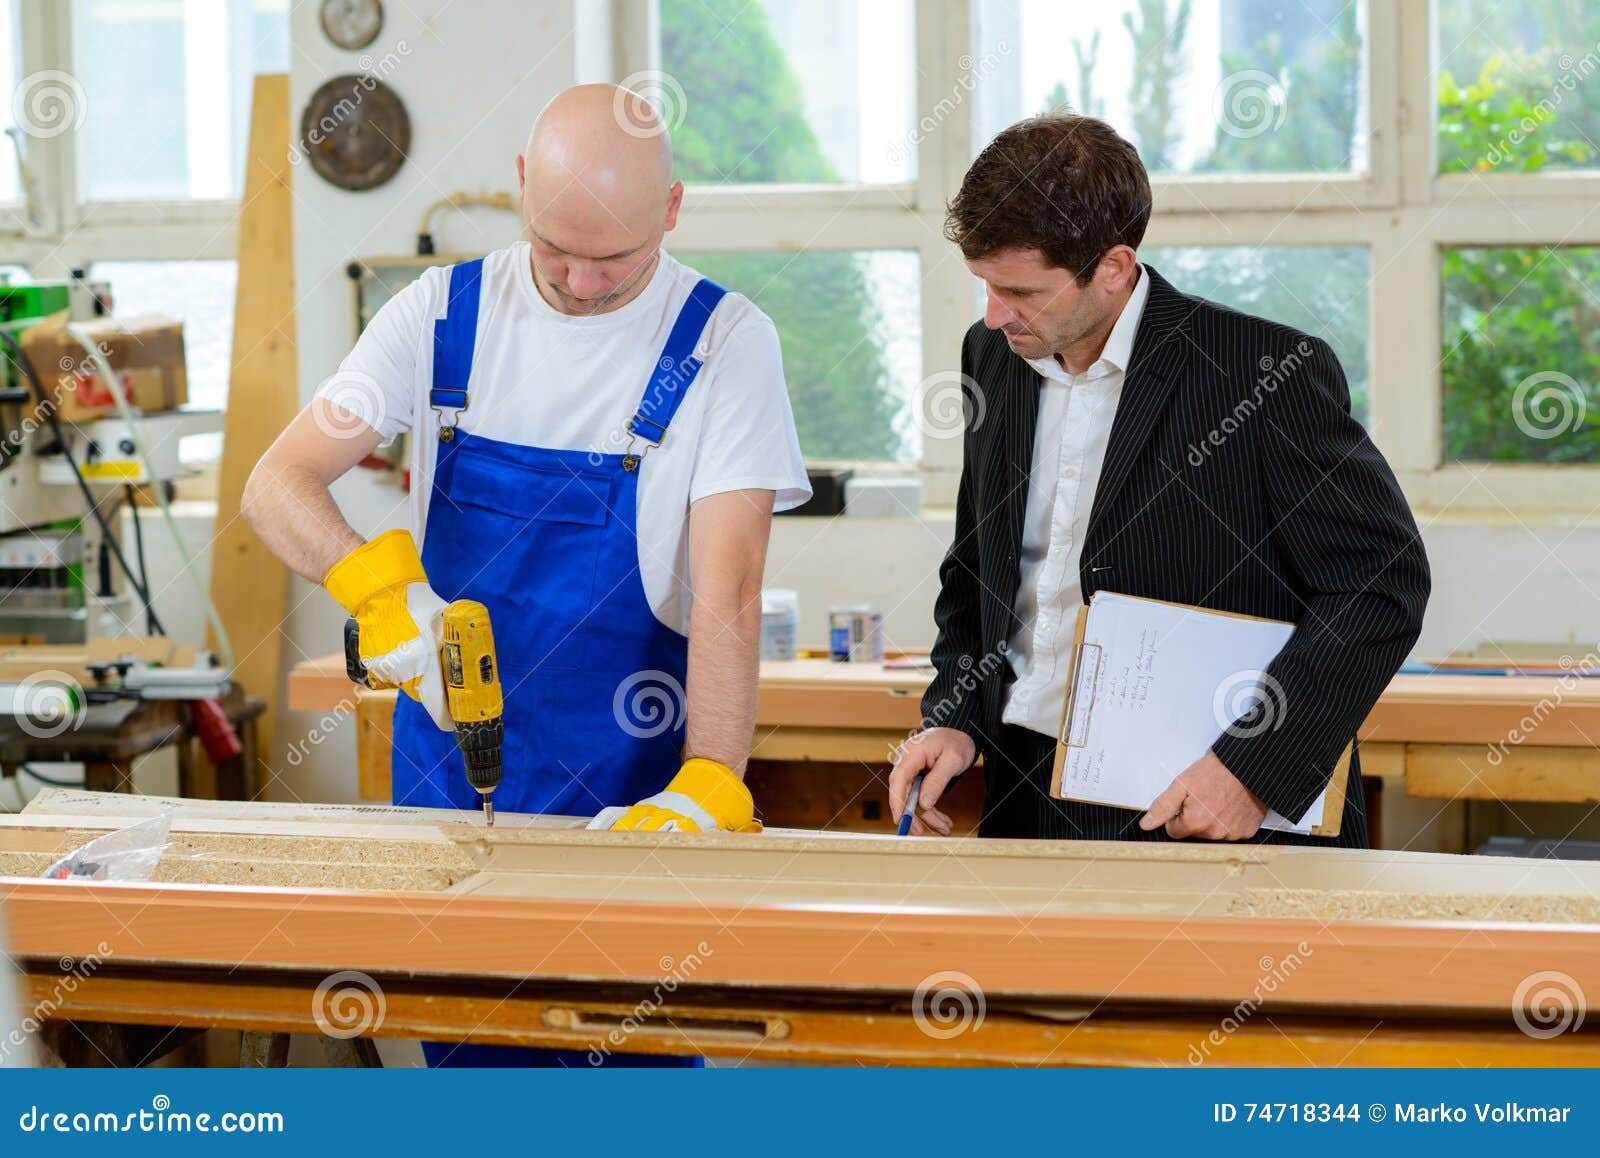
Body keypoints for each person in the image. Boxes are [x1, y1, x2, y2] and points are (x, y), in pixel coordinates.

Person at [245, 84, 810, 1064]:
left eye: (614, 260)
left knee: (622, 1077)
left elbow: (726, 594)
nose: (582, 284)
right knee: (466, 1072)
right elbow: (275, 483)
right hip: (451, 799)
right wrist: (379, 593)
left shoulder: (727, 344)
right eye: (556, 250)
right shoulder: (439, 314)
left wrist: (711, 780)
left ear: (671, 211)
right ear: (518, 189)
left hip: (628, 802)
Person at [889, 114, 1430, 848]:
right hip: (1025, 794)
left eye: (1020, 289)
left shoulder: (1265, 374)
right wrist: (953, 715)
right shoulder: (992, 355)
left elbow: (1381, 583)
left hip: (1208, 807)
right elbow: (979, 567)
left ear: (1112, 267)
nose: (993, 314)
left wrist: (1253, 771)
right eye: (983, 284)